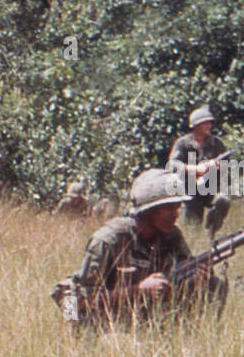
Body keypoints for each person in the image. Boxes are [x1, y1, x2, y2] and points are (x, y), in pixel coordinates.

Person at [52, 169, 223, 331]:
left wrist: (195, 281)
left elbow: (181, 276)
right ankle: (79, 342)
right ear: (148, 209)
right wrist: (138, 290)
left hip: (140, 313)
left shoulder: (171, 236)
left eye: (177, 207)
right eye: (168, 208)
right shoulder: (109, 239)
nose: (175, 214)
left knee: (215, 284)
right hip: (105, 317)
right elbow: (77, 302)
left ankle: (186, 340)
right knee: (75, 312)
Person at [167, 106, 231, 231]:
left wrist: (217, 167)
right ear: (196, 125)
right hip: (191, 190)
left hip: (212, 187)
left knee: (223, 200)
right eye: (205, 123)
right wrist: (195, 169)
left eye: (210, 123)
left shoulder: (217, 143)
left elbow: (227, 168)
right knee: (193, 227)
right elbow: (173, 165)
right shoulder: (183, 143)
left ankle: (212, 231)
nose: (209, 126)